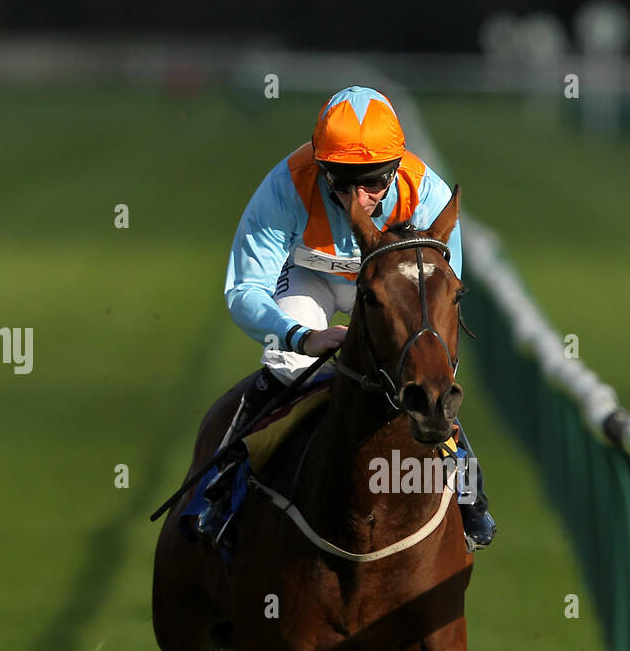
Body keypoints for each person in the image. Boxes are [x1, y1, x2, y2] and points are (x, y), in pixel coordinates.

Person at [196, 85, 496, 551]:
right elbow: (245, 289)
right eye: (341, 181)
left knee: (421, 374)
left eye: (374, 181)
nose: (358, 198)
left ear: (396, 169)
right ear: (321, 167)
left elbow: (440, 300)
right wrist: (300, 336)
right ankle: (226, 486)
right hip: (308, 278)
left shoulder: (428, 193)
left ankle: (469, 493)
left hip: (389, 289)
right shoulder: (286, 186)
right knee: (287, 366)